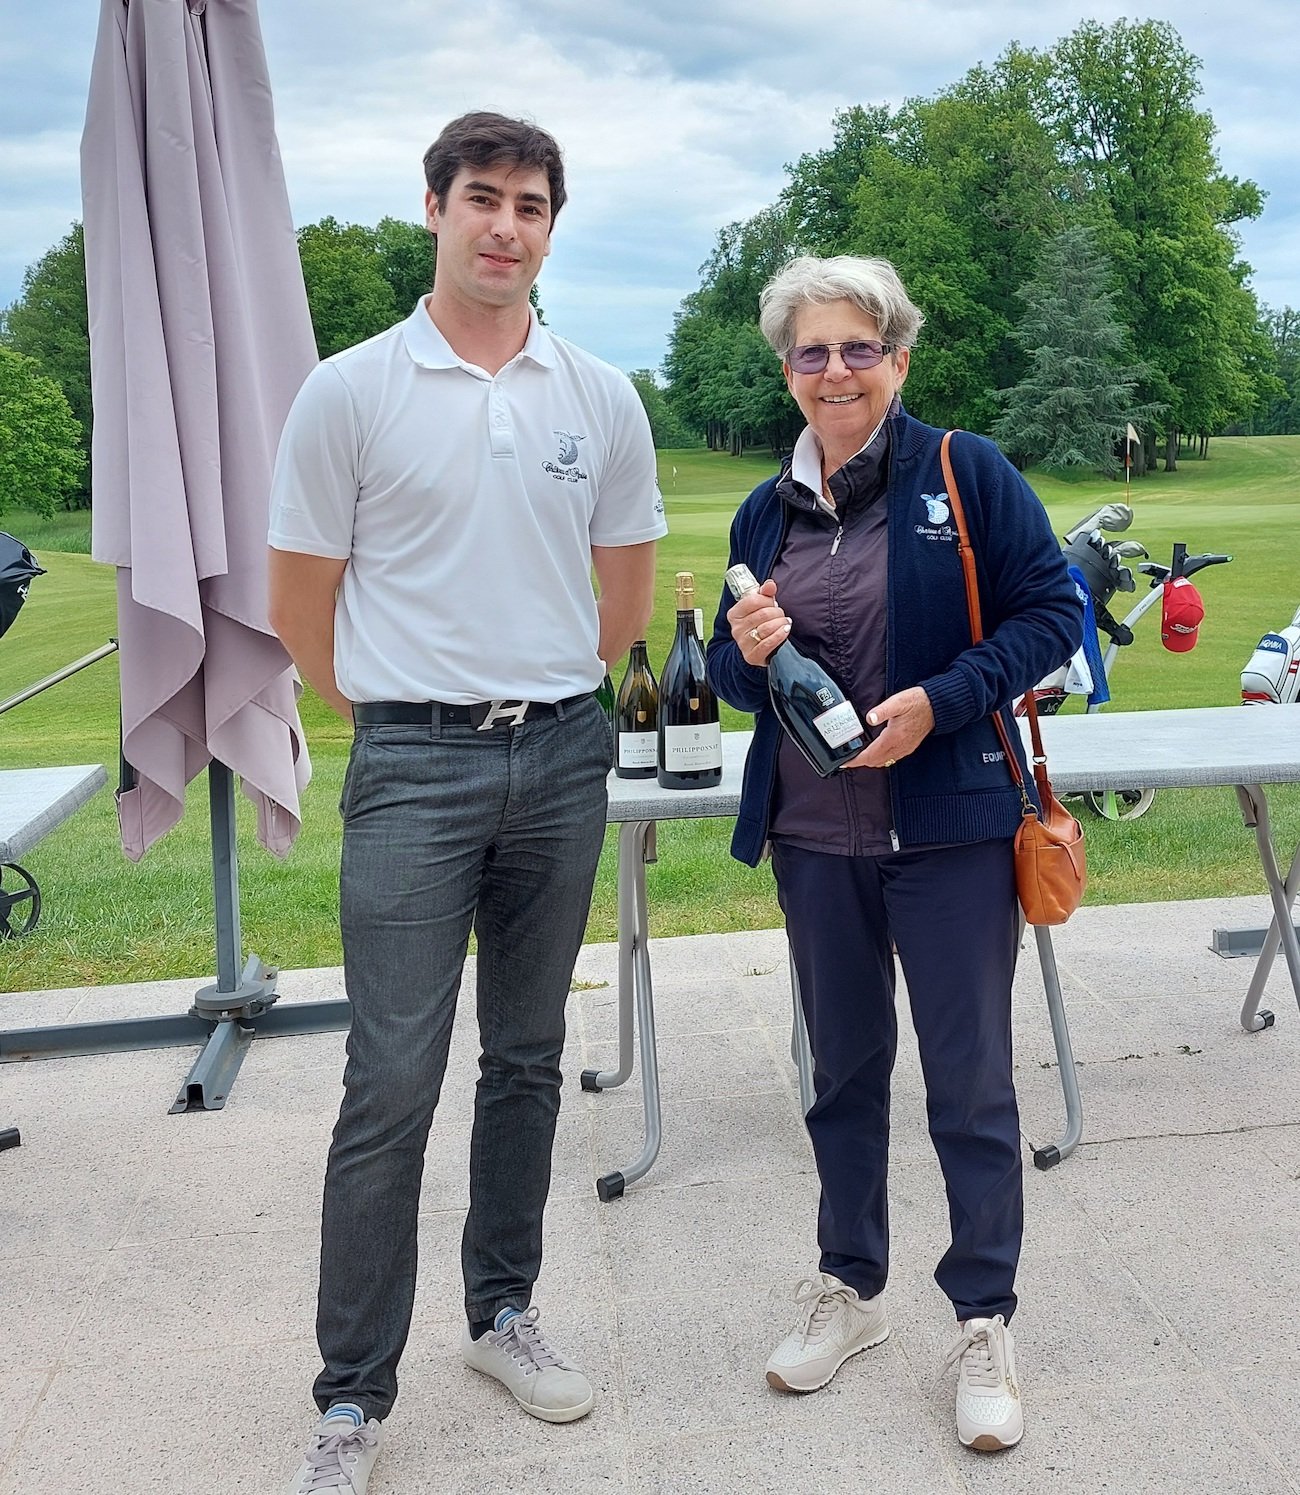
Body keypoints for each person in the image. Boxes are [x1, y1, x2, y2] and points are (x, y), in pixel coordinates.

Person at [267, 112, 665, 1494]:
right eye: (482, 199)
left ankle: (502, 1310)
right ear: (433, 208)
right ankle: (350, 1398)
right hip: (414, 765)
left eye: (532, 205)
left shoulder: (598, 395)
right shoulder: (352, 391)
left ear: (553, 226)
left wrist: (553, 692)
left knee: (530, 1054)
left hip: (561, 756)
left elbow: (623, 590)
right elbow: (302, 608)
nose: (506, 225)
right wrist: (405, 706)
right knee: (389, 1078)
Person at [707, 255, 1081, 1452]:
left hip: (953, 830)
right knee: (843, 1077)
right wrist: (748, 647)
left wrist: (941, 700)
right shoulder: (763, 512)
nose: (835, 372)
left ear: (898, 358)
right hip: (815, 838)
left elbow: (1051, 614)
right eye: (811, 353)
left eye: (857, 348)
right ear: (787, 370)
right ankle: (849, 1287)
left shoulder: (964, 472)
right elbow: (730, 689)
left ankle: (981, 1315)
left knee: (969, 1086)